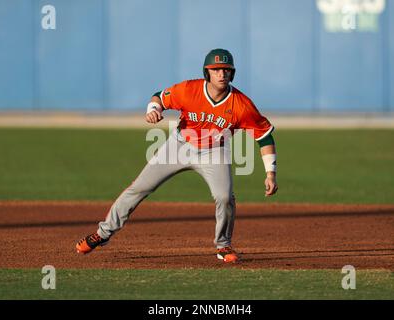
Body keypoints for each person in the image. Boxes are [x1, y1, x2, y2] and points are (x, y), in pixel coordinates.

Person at [76, 48, 278, 263]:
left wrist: (270, 174)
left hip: (214, 151)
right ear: (207, 72)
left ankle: (223, 245)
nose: (221, 74)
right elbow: (159, 97)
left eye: (226, 70)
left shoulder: (242, 105)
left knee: (225, 197)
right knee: (140, 187)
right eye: (216, 69)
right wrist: (153, 109)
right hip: (179, 145)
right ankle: (103, 233)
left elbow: (264, 136)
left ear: (232, 73)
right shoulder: (189, 89)